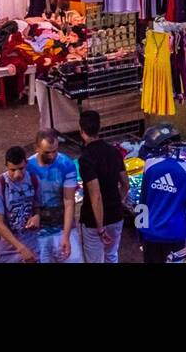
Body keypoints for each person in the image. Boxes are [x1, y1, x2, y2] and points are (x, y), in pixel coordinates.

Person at [77, 110, 129, 263]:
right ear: (99, 128)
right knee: (111, 256)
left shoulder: (86, 158)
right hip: (116, 216)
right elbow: (125, 185)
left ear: (81, 130)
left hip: (93, 221)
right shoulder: (114, 152)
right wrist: (115, 202)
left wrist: (100, 227)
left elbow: (96, 195)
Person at [139, 149, 186, 263]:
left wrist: (140, 233)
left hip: (150, 233)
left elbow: (142, 202)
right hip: (175, 234)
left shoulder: (150, 165)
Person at [27, 129, 79, 263]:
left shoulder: (66, 164)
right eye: (47, 152)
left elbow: (69, 201)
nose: (51, 156)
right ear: (36, 148)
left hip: (62, 226)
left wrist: (66, 236)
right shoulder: (27, 167)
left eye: (55, 151)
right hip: (38, 231)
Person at [0, 146, 41, 263]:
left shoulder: (33, 179)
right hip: (6, 252)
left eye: (21, 169)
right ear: (6, 166)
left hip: (31, 245)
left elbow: (37, 206)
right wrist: (21, 249)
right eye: (12, 170)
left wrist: (37, 216)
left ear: (26, 163)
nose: (17, 174)